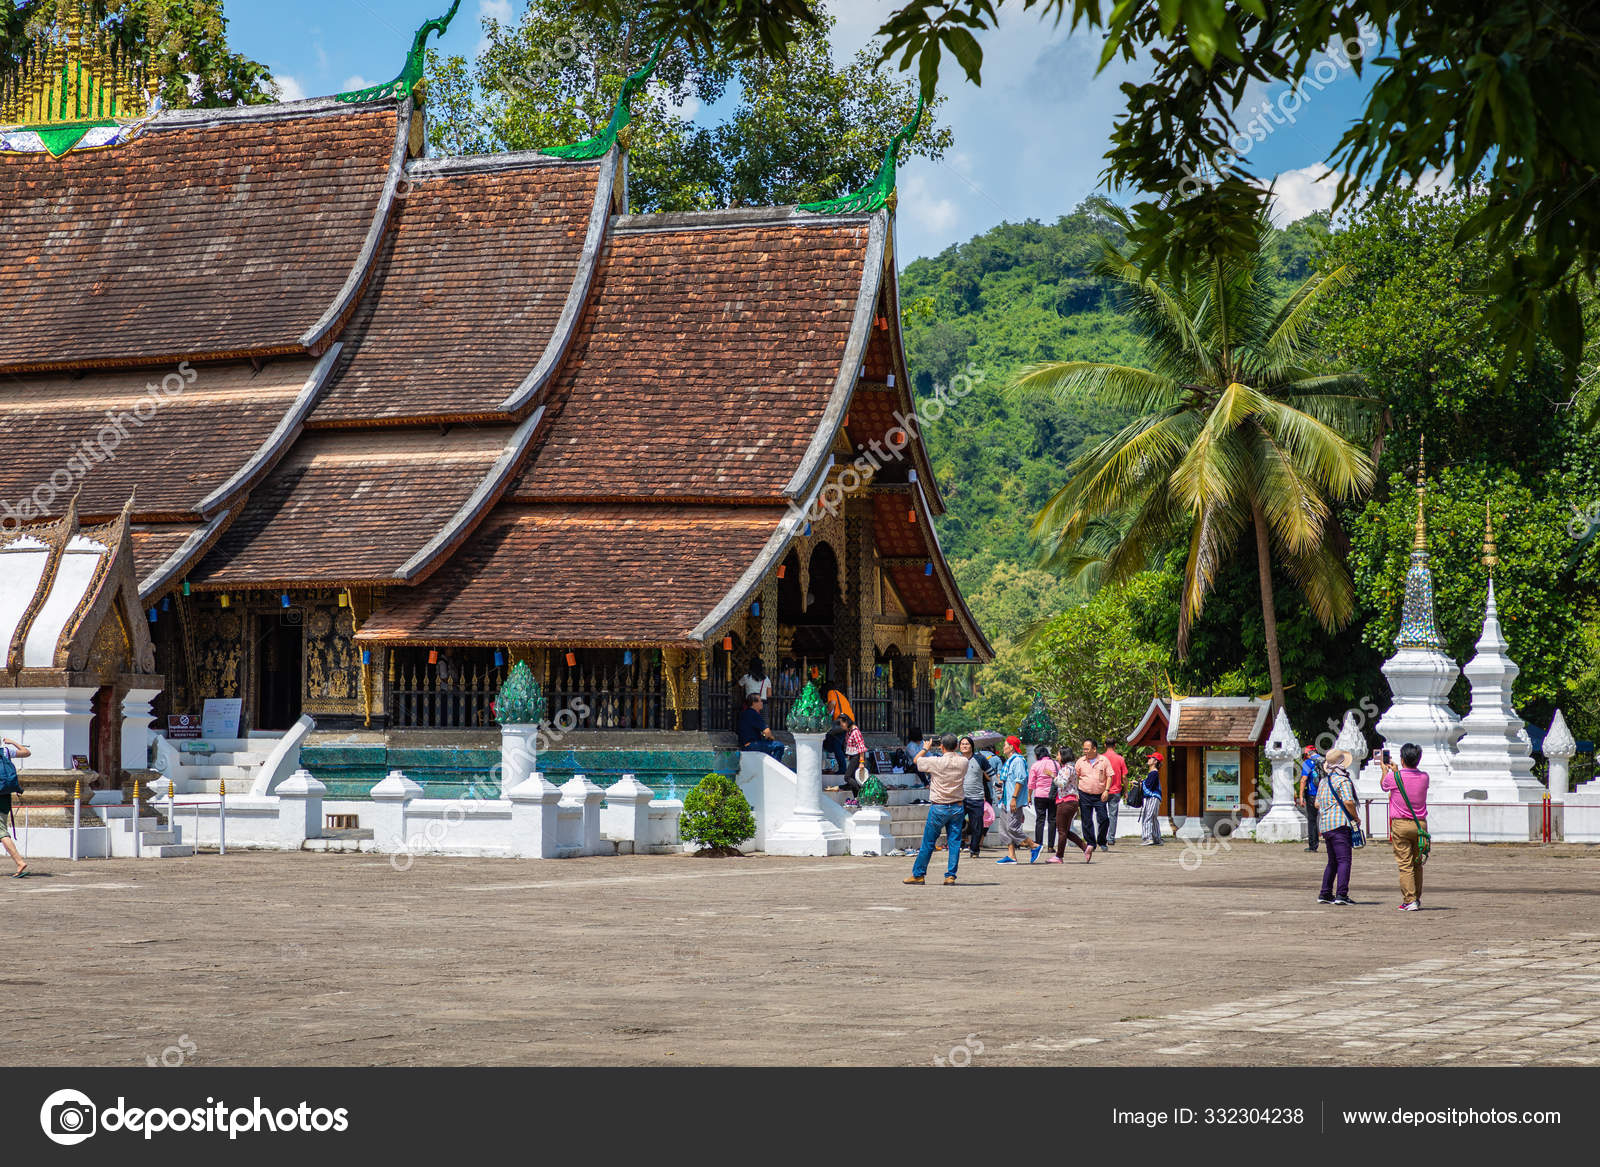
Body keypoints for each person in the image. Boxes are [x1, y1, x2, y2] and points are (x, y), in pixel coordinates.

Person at [904, 733, 969, 886]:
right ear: (957, 746)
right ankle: (950, 875)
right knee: (954, 842)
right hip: (957, 806)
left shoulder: (936, 761)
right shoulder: (964, 762)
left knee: (928, 842)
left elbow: (916, 760)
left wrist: (925, 748)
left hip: (939, 806)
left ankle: (919, 874)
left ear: (941, 747)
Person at [1380, 742, 1429, 911]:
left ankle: (1410, 899)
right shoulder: (1424, 777)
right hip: (1420, 825)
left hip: (1401, 824)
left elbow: (1384, 785)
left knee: (1405, 864)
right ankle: (1417, 897)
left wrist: (1386, 772)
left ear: (1401, 759)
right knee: (1417, 862)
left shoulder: (1394, 777)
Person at [1316, 747, 1361, 905]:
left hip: (1326, 825)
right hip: (1340, 824)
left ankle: (1325, 892)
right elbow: (1349, 801)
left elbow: (1316, 804)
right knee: (1344, 860)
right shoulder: (1343, 780)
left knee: (1332, 861)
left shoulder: (1324, 781)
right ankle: (1341, 894)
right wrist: (1356, 818)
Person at [1049, 748, 1090, 862]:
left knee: (1061, 830)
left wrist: (1052, 776)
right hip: (1072, 801)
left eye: (1058, 755)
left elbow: (1062, 784)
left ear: (1063, 756)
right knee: (1065, 830)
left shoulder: (1066, 769)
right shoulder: (1072, 768)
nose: (1057, 757)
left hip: (1065, 801)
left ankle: (1059, 856)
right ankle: (1084, 847)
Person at [994, 736, 1031, 864]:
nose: (1003, 747)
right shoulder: (1009, 761)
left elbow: (1020, 780)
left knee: (1012, 827)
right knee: (1004, 829)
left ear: (1011, 747)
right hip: (1005, 799)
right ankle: (1011, 856)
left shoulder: (1018, 761)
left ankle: (1034, 846)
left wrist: (1014, 798)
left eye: (1005, 745)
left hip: (1013, 800)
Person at [1075, 739, 1113, 856]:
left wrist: (1106, 790)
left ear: (1094, 749)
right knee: (1086, 820)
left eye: (1087, 749)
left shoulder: (1103, 760)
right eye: (1084, 749)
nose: (1084, 751)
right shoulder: (1080, 761)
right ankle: (1091, 842)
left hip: (1099, 794)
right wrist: (1076, 792)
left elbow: (1110, 776)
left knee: (1104, 818)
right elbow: (1075, 777)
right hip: (1084, 793)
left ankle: (1101, 840)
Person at [1, 735, 31, 877]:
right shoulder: (6, 751)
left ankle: (19, 862)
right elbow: (26, 752)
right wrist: (12, 742)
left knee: (1, 831)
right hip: (5, 796)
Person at [957, 735, 988, 859]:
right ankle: (957, 846)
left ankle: (974, 849)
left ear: (972, 746)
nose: (964, 746)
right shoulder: (957, 760)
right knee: (956, 823)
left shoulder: (980, 759)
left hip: (976, 798)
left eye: (967, 744)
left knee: (977, 826)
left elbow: (990, 775)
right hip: (959, 797)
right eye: (962, 744)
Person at [1028, 745, 1060, 862]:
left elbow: (1031, 783)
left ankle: (1038, 844)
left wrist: (1029, 796)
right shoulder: (1056, 764)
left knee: (1040, 820)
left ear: (1037, 755)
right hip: (1052, 796)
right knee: (1052, 820)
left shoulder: (1035, 765)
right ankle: (1051, 846)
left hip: (1039, 795)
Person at [737, 695, 785, 762]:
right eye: (760, 701)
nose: (762, 703)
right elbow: (767, 732)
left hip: (745, 745)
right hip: (751, 745)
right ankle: (774, 765)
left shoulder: (745, 713)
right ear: (754, 703)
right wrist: (771, 737)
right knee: (779, 746)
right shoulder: (754, 714)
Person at [1102, 739, 1128, 847]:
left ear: (1104, 745)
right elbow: (1124, 776)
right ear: (1115, 745)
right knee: (1113, 815)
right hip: (1116, 790)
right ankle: (1111, 838)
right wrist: (1126, 790)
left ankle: (1102, 837)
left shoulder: (1101, 758)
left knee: (1102, 815)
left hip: (1102, 790)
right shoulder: (1120, 759)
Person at [1297, 745, 1323, 852]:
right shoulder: (1324, 761)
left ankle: (1313, 845)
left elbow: (1304, 779)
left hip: (1312, 794)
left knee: (1312, 820)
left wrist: (1301, 796)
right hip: (1325, 794)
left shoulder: (1308, 763)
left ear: (1308, 754)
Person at [1139, 753, 1164, 845]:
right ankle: (1156, 838)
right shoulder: (1153, 773)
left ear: (1155, 761)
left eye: (1151, 758)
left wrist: (1141, 784)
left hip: (1152, 797)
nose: (1149, 759)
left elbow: (1148, 787)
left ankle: (1148, 838)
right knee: (1153, 818)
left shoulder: (1153, 773)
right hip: (1156, 797)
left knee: (1147, 817)